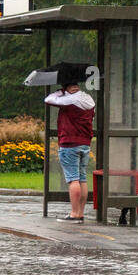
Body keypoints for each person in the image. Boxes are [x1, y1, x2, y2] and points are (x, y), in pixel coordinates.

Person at [45, 78, 96, 222]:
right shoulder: (88, 99)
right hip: (85, 143)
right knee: (82, 179)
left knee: (73, 180)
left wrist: (61, 92)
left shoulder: (69, 100)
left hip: (69, 143)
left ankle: (74, 213)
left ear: (67, 88)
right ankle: (80, 212)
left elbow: (48, 99)